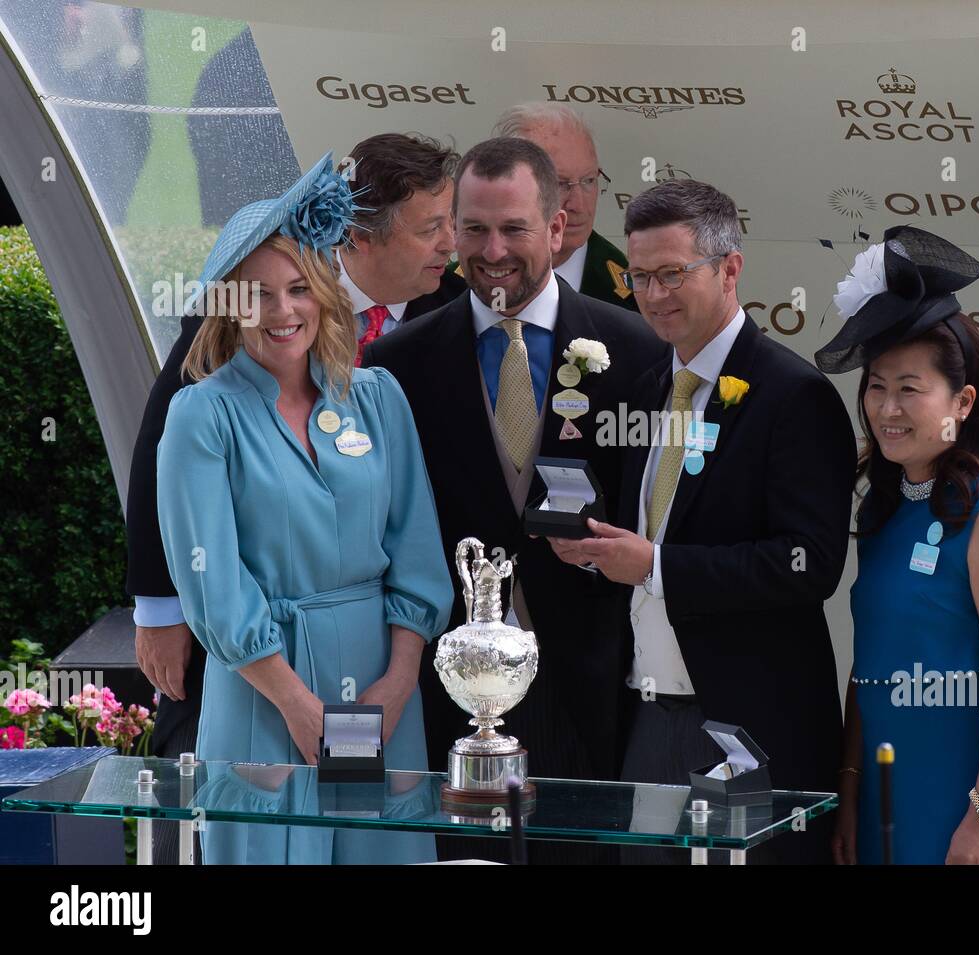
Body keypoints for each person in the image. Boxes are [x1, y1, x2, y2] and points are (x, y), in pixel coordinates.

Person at [127, 133, 462, 861]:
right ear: (229, 306)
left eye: (300, 288)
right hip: (264, 695)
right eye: (260, 294)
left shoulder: (377, 398)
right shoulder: (201, 414)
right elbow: (211, 581)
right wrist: (298, 705)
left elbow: (417, 550)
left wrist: (400, 679)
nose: (283, 311)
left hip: (382, 692)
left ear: (323, 291)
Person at [363, 137, 666, 863]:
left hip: (590, 681)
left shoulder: (636, 350)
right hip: (449, 690)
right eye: (473, 229)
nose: (491, 250)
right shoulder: (395, 363)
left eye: (514, 229)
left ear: (557, 230)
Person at [549, 179, 855, 864]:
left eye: (673, 274)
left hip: (743, 730)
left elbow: (811, 562)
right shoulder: (645, 386)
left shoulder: (793, 394)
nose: (655, 295)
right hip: (646, 720)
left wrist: (656, 566)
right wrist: (593, 548)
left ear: (731, 268)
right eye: (641, 277)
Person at [815, 227, 979, 865]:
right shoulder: (888, 507)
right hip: (889, 797)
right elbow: (870, 667)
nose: (887, 408)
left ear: (963, 401)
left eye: (910, 389)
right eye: (876, 386)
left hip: (969, 803)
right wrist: (850, 785)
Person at [491, 103, 638, 311]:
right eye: (559, 184)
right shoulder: (451, 285)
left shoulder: (637, 296)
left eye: (588, 180)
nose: (578, 204)